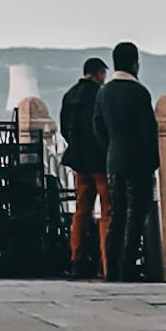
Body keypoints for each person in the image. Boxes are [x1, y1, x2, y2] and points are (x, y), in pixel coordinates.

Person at [103, 44, 162, 280]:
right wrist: (152, 161)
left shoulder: (104, 92)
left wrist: (111, 148)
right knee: (136, 215)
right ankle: (127, 266)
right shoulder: (139, 93)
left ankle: (111, 267)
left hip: (114, 161)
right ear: (135, 64)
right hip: (138, 162)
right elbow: (149, 130)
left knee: (117, 215)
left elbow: (98, 126)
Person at [58, 52, 113, 276]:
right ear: (99, 74)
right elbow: (104, 127)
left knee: (82, 210)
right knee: (108, 210)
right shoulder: (101, 95)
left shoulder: (70, 95)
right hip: (100, 161)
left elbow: (63, 127)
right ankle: (107, 261)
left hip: (79, 162)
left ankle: (77, 259)